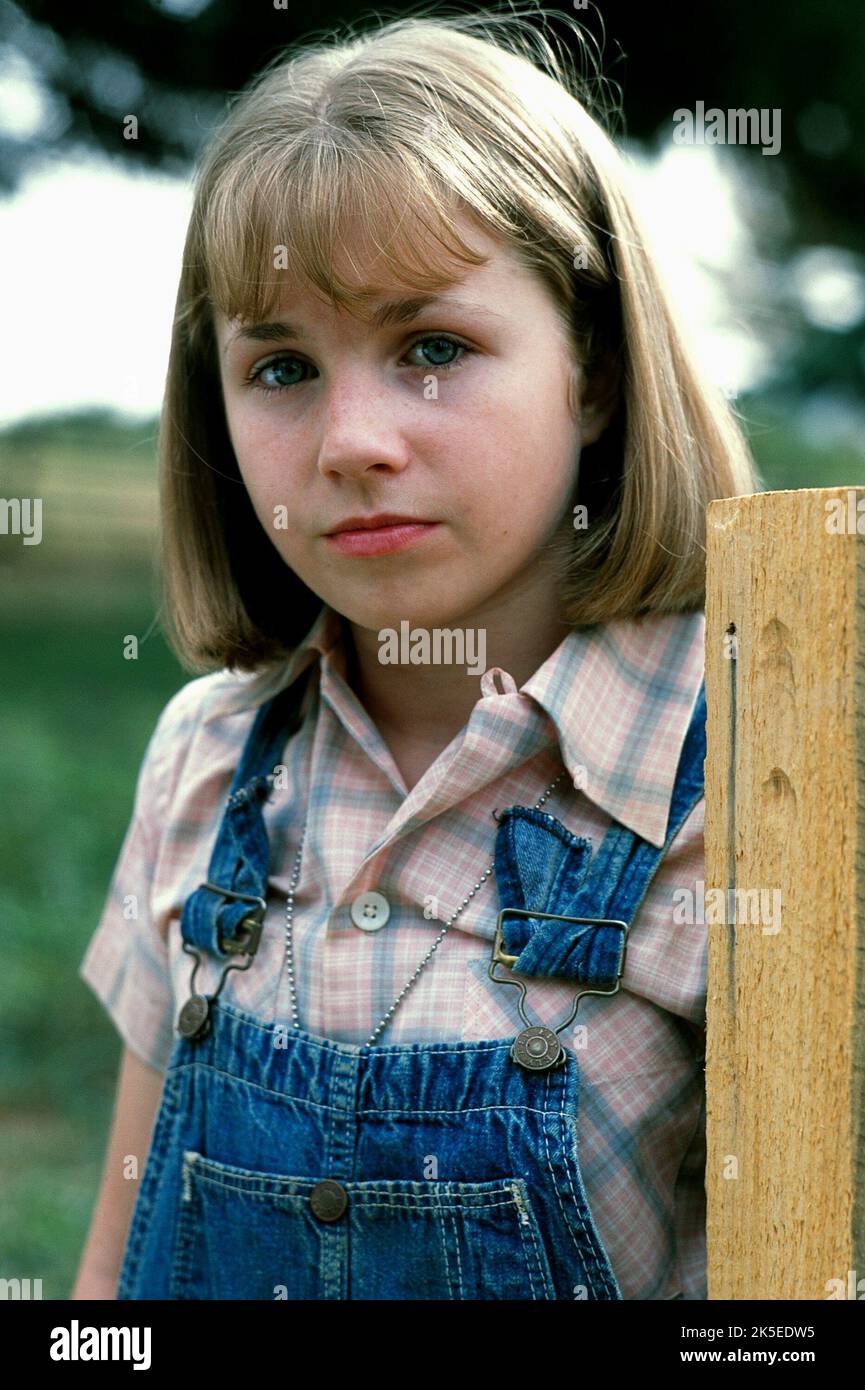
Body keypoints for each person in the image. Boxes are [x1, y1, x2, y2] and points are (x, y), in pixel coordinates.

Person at [72, 6, 759, 1301]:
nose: (351, 440)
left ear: (595, 369)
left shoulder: (751, 779)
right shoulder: (210, 757)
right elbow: (114, 1274)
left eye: (431, 348)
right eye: (279, 366)